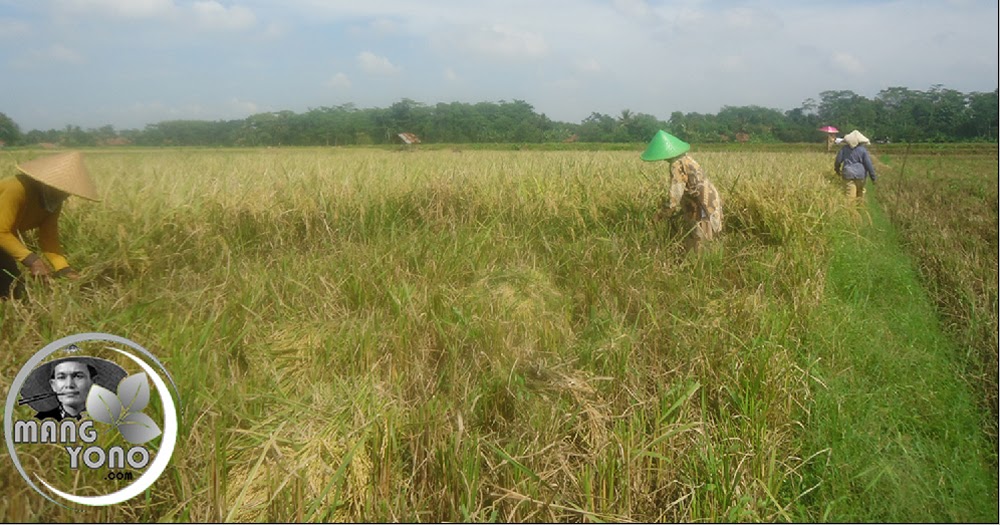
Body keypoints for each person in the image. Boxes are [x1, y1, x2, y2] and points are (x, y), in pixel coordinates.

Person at [0, 151, 100, 299]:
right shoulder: (17, 188)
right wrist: (33, 261)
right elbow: (1, 231)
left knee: (12, 291)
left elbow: (49, 239)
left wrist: (63, 269)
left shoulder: (52, 203)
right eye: (61, 188)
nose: (65, 195)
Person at [641, 130, 723, 251]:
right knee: (702, 238)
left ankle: (701, 266)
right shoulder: (687, 159)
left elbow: (675, 194)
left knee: (700, 240)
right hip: (709, 201)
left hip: (701, 204)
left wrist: (662, 214)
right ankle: (702, 263)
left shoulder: (676, 164)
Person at [34, 359, 99, 420]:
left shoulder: (105, 418)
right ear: (53, 385)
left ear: (93, 382)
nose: (69, 384)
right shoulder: (40, 422)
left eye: (78, 376)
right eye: (61, 377)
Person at [834, 130, 877, 200]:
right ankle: (860, 209)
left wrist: (837, 170)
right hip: (861, 176)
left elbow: (838, 161)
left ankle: (850, 210)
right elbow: (869, 165)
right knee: (860, 194)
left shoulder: (844, 149)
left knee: (850, 196)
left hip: (848, 175)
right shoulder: (863, 150)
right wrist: (873, 178)